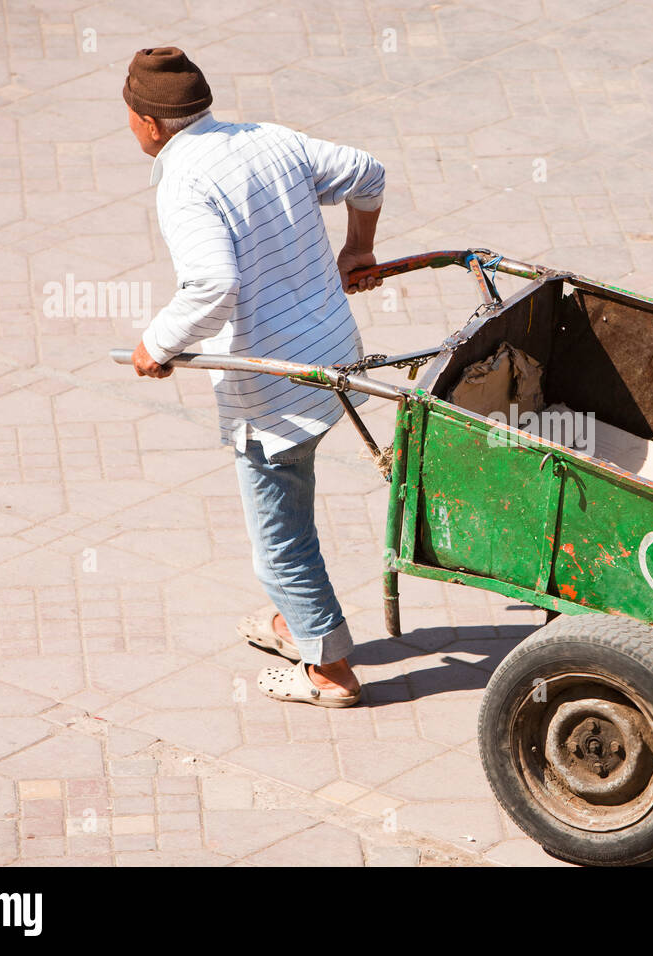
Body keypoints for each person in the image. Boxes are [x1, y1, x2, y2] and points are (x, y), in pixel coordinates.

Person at [123, 46, 385, 707]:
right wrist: (359, 246)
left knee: (279, 542)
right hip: (334, 358)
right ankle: (295, 625)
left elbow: (214, 282)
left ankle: (329, 672)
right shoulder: (269, 139)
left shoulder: (183, 184)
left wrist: (157, 343)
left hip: (274, 387)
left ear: (148, 123)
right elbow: (368, 172)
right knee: (290, 510)